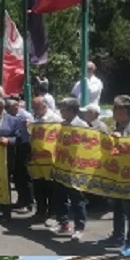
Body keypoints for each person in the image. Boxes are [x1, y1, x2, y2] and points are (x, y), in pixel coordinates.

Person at [99, 95, 130, 256]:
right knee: (118, 208)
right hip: (117, 174)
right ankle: (117, 236)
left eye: (116, 109)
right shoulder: (118, 125)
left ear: (124, 111)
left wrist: (123, 142)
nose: (113, 112)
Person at [51, 98, 89, 241]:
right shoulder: (62, 125)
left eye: (64, 109)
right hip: (62, 165)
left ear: (72, 111)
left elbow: (87, 147)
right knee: (60, 196)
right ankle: (64, 223)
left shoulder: (82, 126)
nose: (61, 112)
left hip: (75, 168)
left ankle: (79, 227)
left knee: (76, 199)